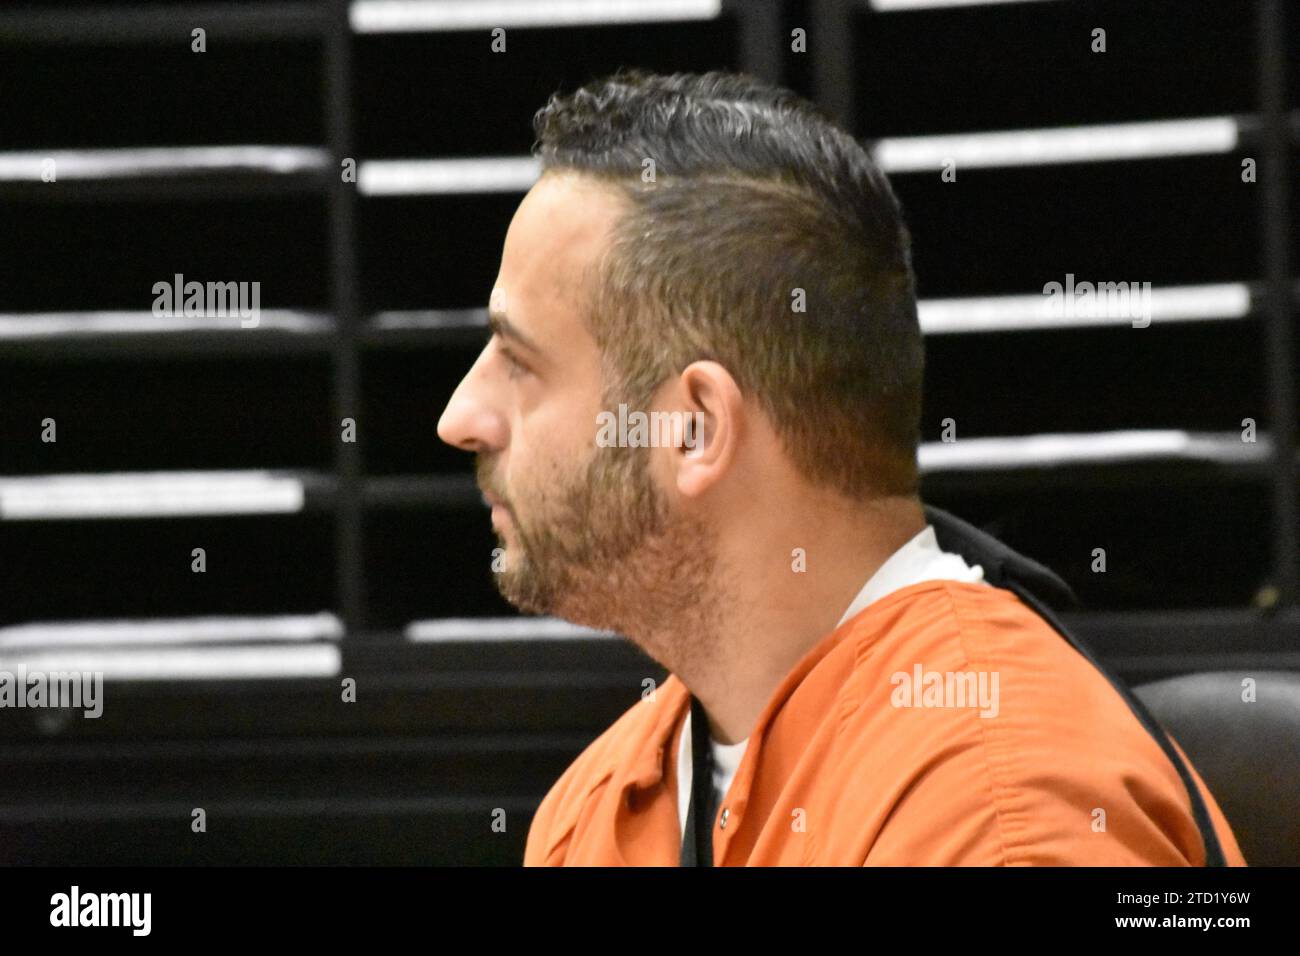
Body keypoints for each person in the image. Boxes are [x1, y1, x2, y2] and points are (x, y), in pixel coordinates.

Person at [435, 69, 1246, 866]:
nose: (459, 418)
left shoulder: (998, 817)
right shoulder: (601, 808)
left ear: (694, 428)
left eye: (519, 360)